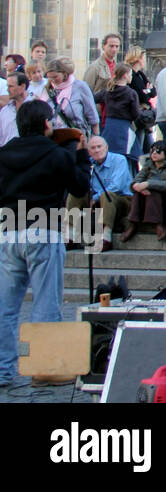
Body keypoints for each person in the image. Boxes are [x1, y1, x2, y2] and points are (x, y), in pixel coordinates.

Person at [0, 101, 89, 387]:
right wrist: (82, 154)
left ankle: (3, 369)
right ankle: (45, 368)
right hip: (43, 230)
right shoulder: (56, 154)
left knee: (5, 306)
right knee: (45, 302)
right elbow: (80, 187)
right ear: (47, 124)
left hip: (8, 229)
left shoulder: (3, 153)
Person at [121, 141, 166, 241]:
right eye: (152, 151)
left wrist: (148, 184)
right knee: (140, 192)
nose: (154, 153)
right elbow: (134, 182)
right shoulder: (148, 165)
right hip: (147, 201)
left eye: (158, 151)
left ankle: (158, 224)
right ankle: (133, 224)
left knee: (153, 191)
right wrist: (139, 187)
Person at [45, 57, 98, 137]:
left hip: (76, 137)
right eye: (50, 77)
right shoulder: (48, 89)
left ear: (64, 73)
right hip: (54, 137)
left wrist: (95, 137)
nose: (53, 80)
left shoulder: (80, 86)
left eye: (55, 77)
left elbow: (92, 114)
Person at [82, 32, 122, 100]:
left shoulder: (118, 67)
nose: (114, 49)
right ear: (104, 46)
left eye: (117, 46)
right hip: (99, 107)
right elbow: (85, 92)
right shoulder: (95, 67)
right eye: (111, 46)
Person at [0, 72, 29, 146]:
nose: (7, 90)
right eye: (7, 86)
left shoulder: (35, 108)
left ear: (22, 86)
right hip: (7, 154)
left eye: (11, 86)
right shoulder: (5, 111)